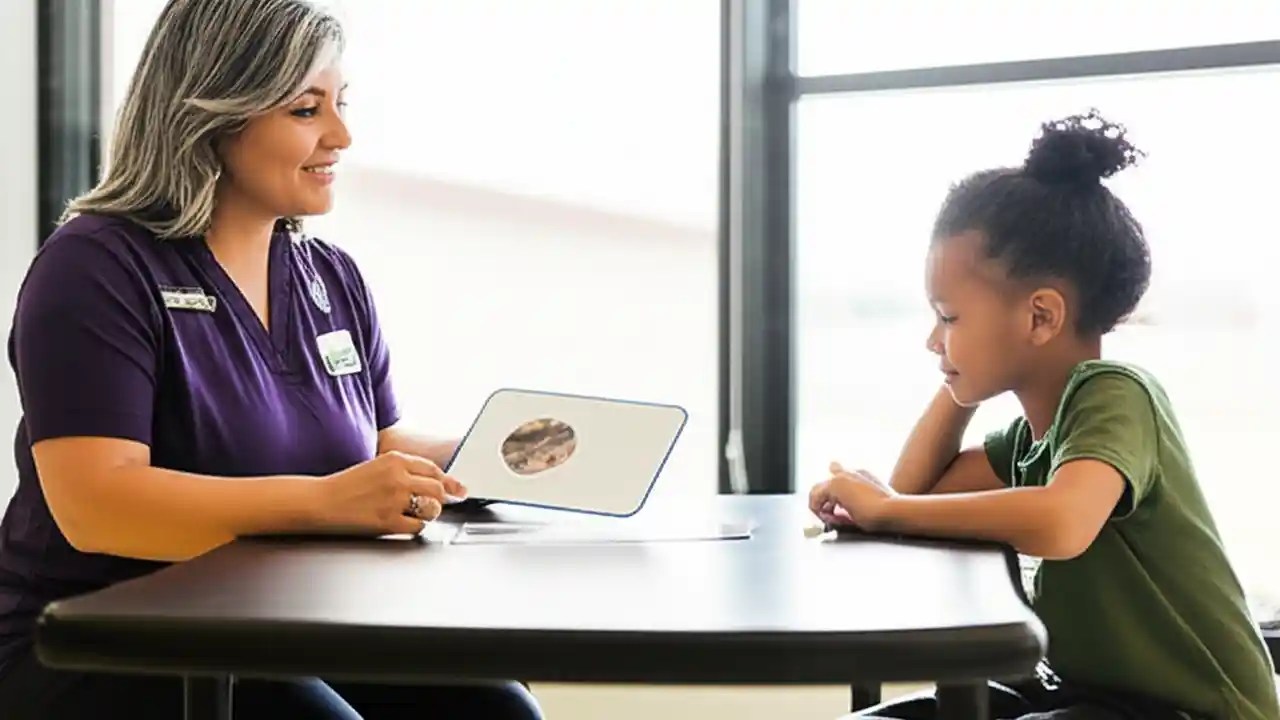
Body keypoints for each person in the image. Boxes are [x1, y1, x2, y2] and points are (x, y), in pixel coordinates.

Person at [0, 1, 543, 718]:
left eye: (340, 104)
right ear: (214, 114)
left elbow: (370, 443)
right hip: (96, 643)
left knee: (497, 710)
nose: (342, 136)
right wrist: (325, 505)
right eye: (304, 109)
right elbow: (98, 506)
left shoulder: (329, 275)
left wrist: (500, 454)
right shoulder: (96, 268)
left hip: (277, 625)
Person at [811, 111, 1279, 719]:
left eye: (949, 318)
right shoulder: (1036, 438)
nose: (933, 340)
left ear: (1039, 318)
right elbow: (920, 490)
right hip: (1087, 697)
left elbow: (1062, 522)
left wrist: (889, 509)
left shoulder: (1115, 395)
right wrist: (956, 388)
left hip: (1195, 712)